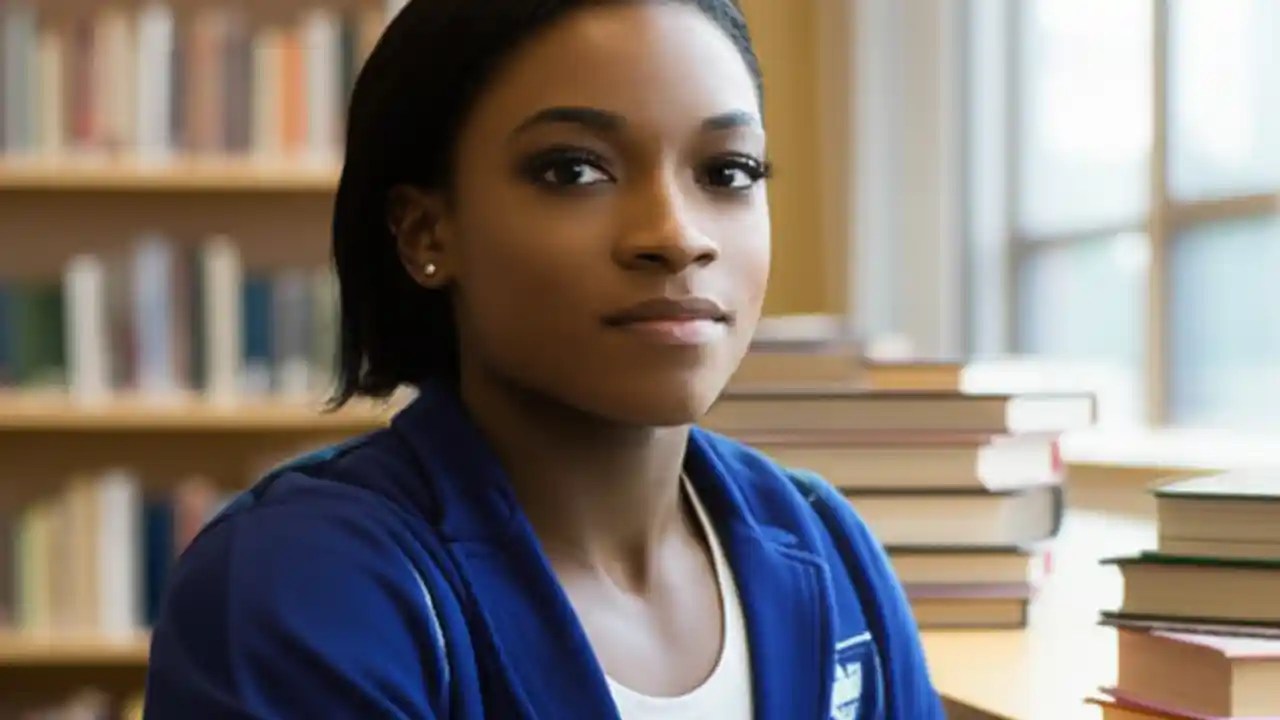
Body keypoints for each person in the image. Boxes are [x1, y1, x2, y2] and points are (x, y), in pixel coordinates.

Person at [143, 0, 943, 717]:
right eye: (573, 170)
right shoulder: (299, 584)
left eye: (726, 172)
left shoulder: (826, 546)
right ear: (428, 232)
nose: (675, 236)